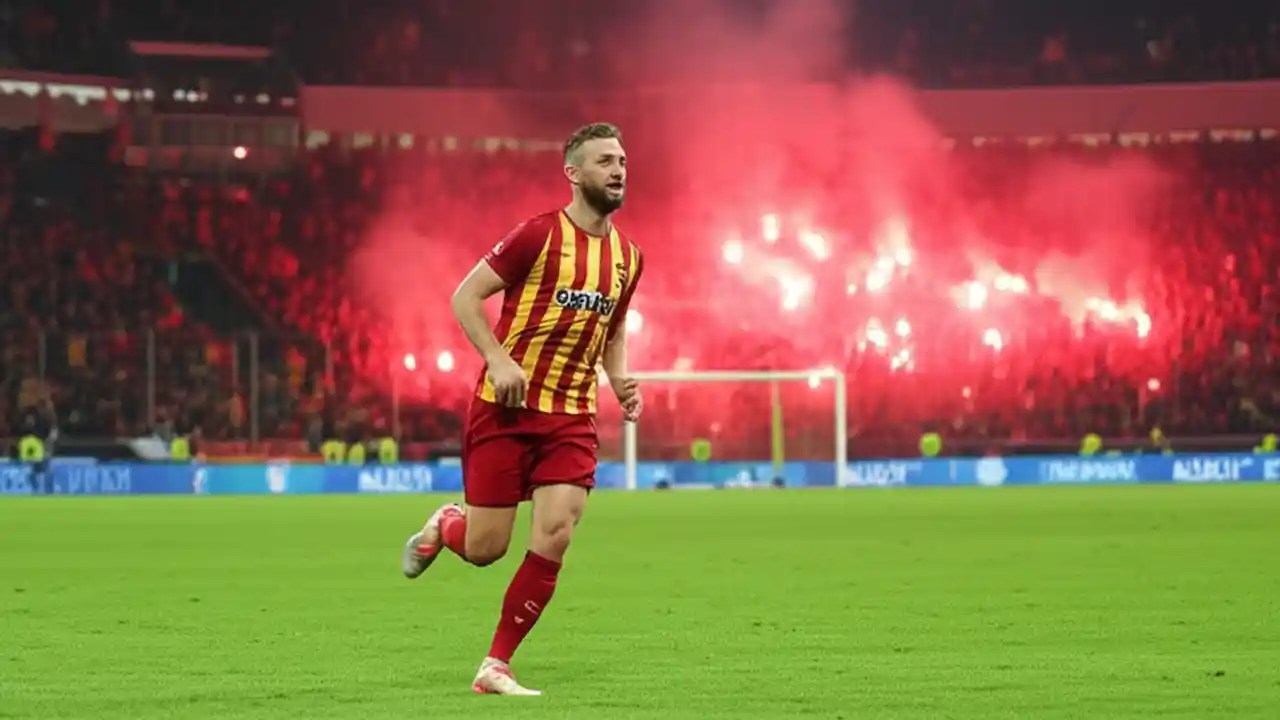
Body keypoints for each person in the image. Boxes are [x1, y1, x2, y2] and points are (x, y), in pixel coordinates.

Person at [400, 122, 644, 696]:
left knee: (556, 532)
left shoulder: (629, 259)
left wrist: (620, 380)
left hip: (571, 416)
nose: (618, 170)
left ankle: (496, 665)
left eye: (623, 161)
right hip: (505, 409)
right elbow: (465, 297)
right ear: (574, 172)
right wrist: (498, 358)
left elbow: (612, 330)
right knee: (486, 549)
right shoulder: (537, 236)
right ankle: (447, 524)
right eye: (605, 161)